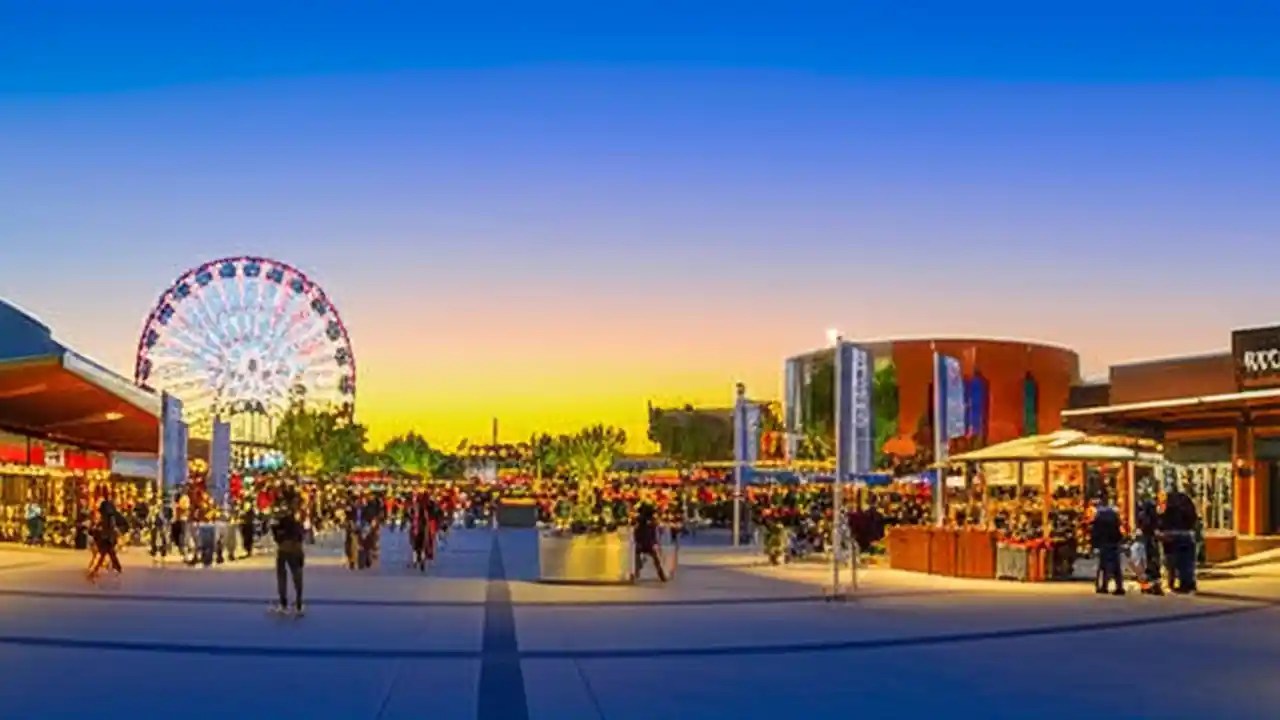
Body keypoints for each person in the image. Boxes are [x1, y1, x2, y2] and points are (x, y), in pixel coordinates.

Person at [271, 491, 306, 615]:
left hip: (286, 547)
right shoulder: (299, 516)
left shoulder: (281, 516)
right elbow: (302, 533)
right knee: (296, 575)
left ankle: (284, 603)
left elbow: (275, 530)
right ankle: (298, 604)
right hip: (294, 547)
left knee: (284, 576)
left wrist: (279, 537)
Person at [1161, 490, 1199, 594]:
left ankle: (1171, 583)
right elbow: (1193, 518)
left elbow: (1162, 521)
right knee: (1187, 562)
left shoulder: (1168, 508)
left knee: (1171, 561)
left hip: (1172, 535)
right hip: (1187, 535)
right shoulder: (1187, 506)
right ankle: (1188, 583)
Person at [1091, 493, 1124, 596]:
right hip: (1114, 541)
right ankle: (1119, 586)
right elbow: (1118, 527)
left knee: (1103, 565)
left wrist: (1095, 543)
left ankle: (1103, 586)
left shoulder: (1099, 515)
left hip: (1104, 542)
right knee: (1116, 565)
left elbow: (1095, 530)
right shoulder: (1114, 513)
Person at [88, 500, 125, 581]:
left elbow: (110, 527)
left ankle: (95, 570)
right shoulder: (109, 516)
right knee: (109, 553)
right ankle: (117, 567)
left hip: (106, 537)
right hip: (108, 537)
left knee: (104, 554)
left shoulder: (107, 517)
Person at [632, 503, 668, 583]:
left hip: (642, 542)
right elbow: (655, 531)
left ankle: (636, 573)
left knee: (637, 558)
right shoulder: (651, 520)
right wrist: (655, 541)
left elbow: (636, 531)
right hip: (648, 542)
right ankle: (662, 576)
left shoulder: (640, 519)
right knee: (655, 559)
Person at [1135, 500, 1163, 595]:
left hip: (1144, 542)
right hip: (1150, 542)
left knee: (1145, 564)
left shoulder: (1142, 516)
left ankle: (1146, 586)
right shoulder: (1153, 517)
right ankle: (1153, 585)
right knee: (1153, 563)